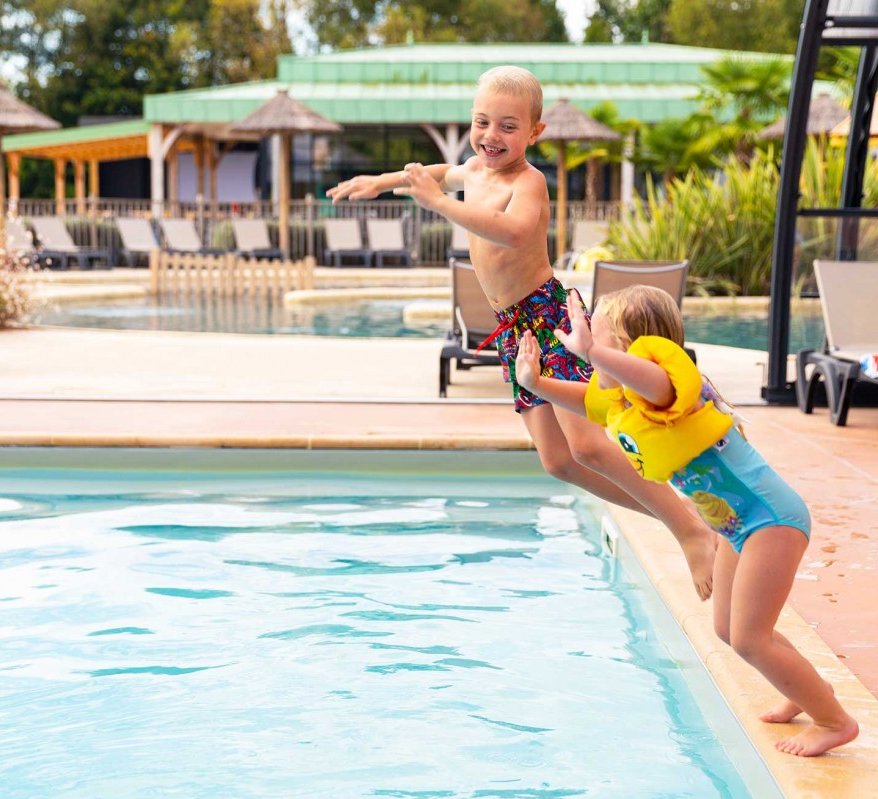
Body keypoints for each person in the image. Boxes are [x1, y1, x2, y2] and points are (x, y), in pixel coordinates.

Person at [326, 65, 717, 600]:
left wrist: (438, 204)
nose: (491, 136)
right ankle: (682, 519)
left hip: (549, 318)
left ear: (535, 133)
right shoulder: (473, 170)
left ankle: (689, 529)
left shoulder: (528, 182)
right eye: (481, 122)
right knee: (559, 463)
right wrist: (384, 181)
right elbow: (439, 170)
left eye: (508, 127)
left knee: (588, 447)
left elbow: (512, 232)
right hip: (514, 329)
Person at [514, 284, 859, 757]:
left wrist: (591, 351)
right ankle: (804, 688)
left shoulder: (670, 388)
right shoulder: (627, 402)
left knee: (750, 638)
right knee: (729, 630)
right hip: (739, 526)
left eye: (600, 340)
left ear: (633, 349)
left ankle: (833, 720)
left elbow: (651, 380)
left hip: (770, 519)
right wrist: (536, 384)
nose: (590, 357)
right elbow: (587, 402)